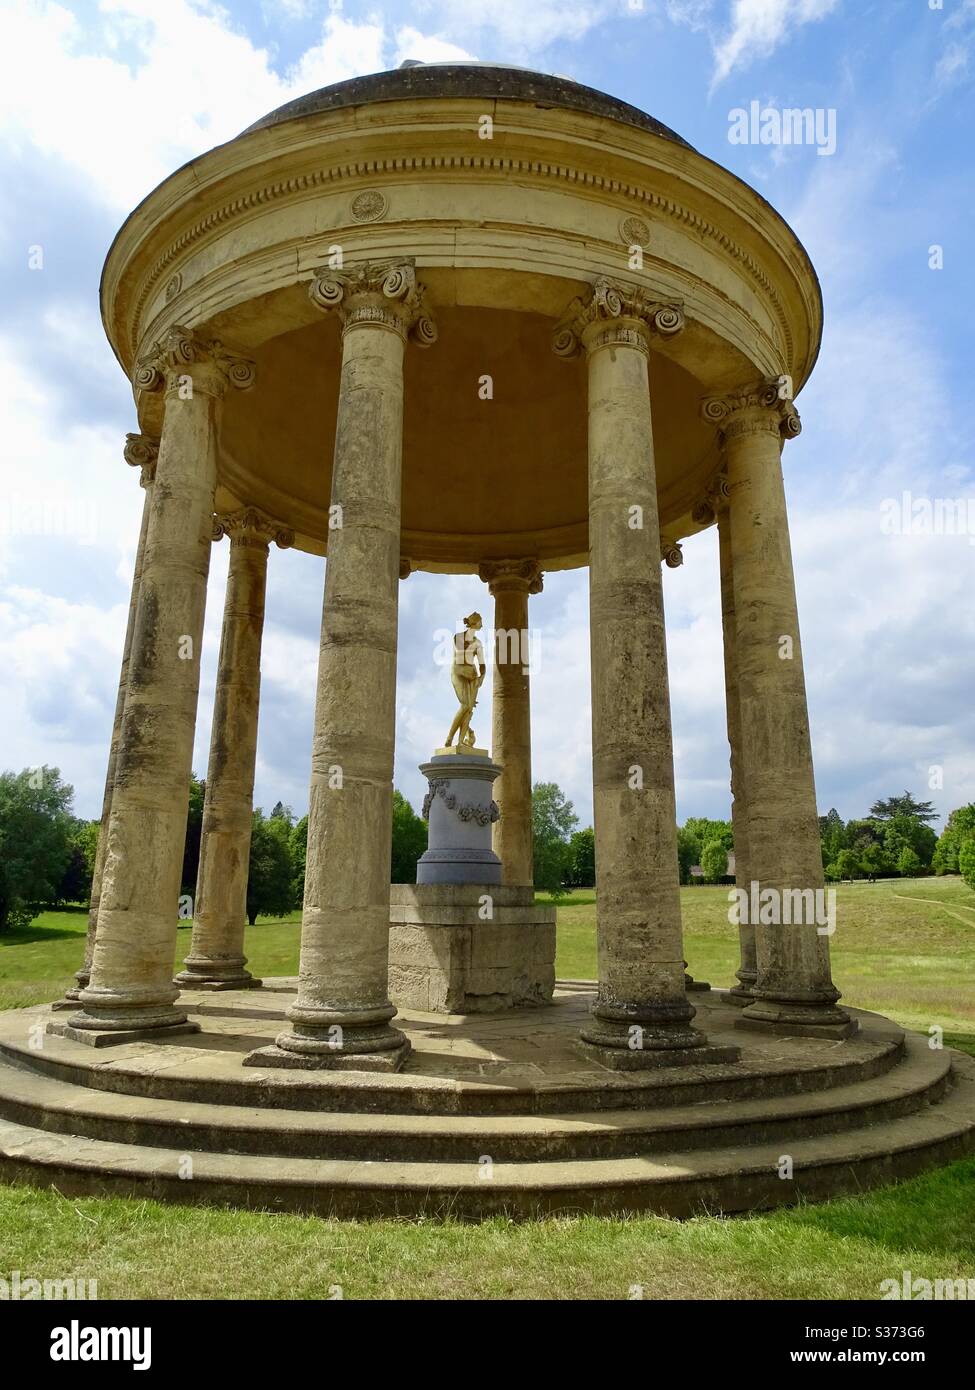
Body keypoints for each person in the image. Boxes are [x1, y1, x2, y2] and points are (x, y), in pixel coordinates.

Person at [444, 611, 486, 749]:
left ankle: (461, 741)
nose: (482, 623)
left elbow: (482, 664)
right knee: (465, 705)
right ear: (475, 622)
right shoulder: (459, 637)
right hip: (459, 672)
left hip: (472, 676)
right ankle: (449, 738)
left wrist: (482, 678)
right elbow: (461, 653)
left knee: (469, 710)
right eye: (480, 621)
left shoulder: (478, 642)